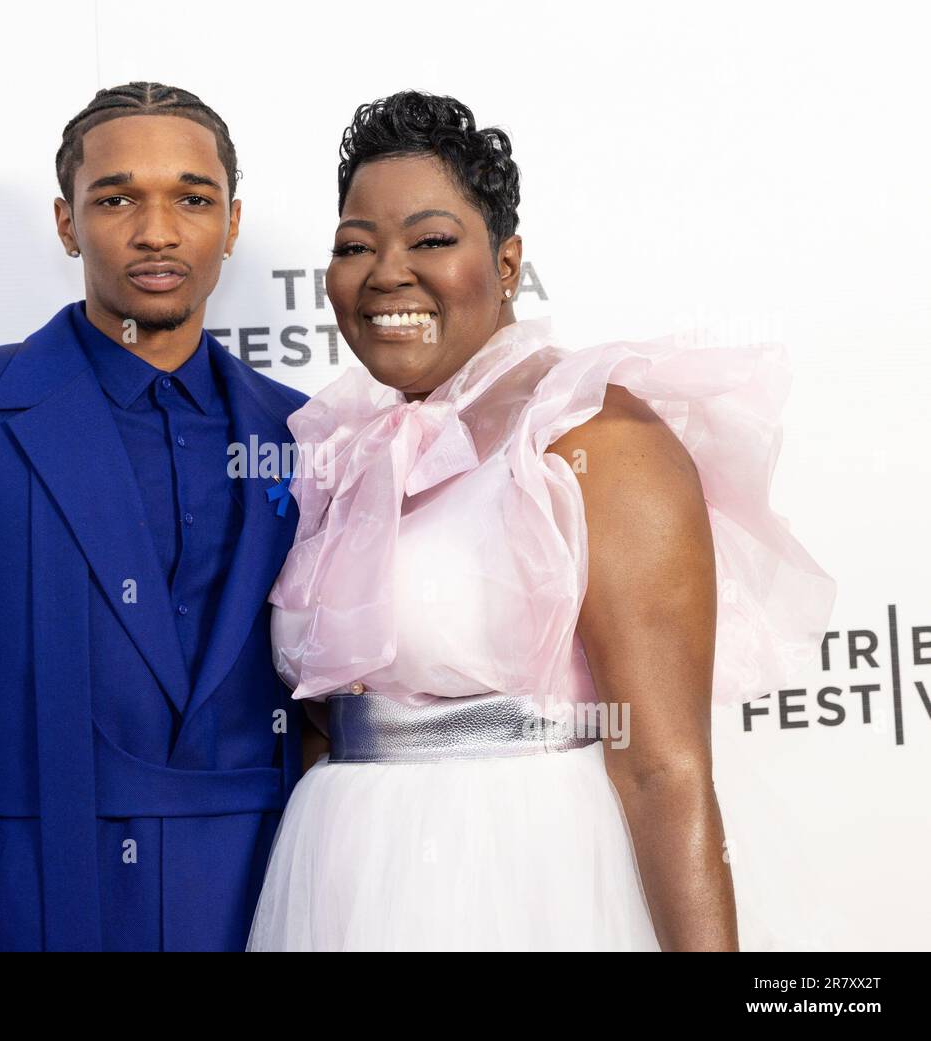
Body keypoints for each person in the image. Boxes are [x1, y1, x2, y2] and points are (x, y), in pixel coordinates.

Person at [244, 91, 838, 951]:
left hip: (536, 882)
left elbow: (664, 768)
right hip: (343, 886)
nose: (386, 273)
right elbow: (326, 719)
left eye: (432, 240)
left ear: (509, 260)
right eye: (354, 247)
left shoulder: (598, 434)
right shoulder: (342, 447)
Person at [0, 81, 313, 952]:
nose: (157, 229)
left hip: (272, 902)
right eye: (117, 197)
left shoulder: (305, 428)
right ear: (67, 223)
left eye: (192, 197)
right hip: (43, 906)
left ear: (233, 223)